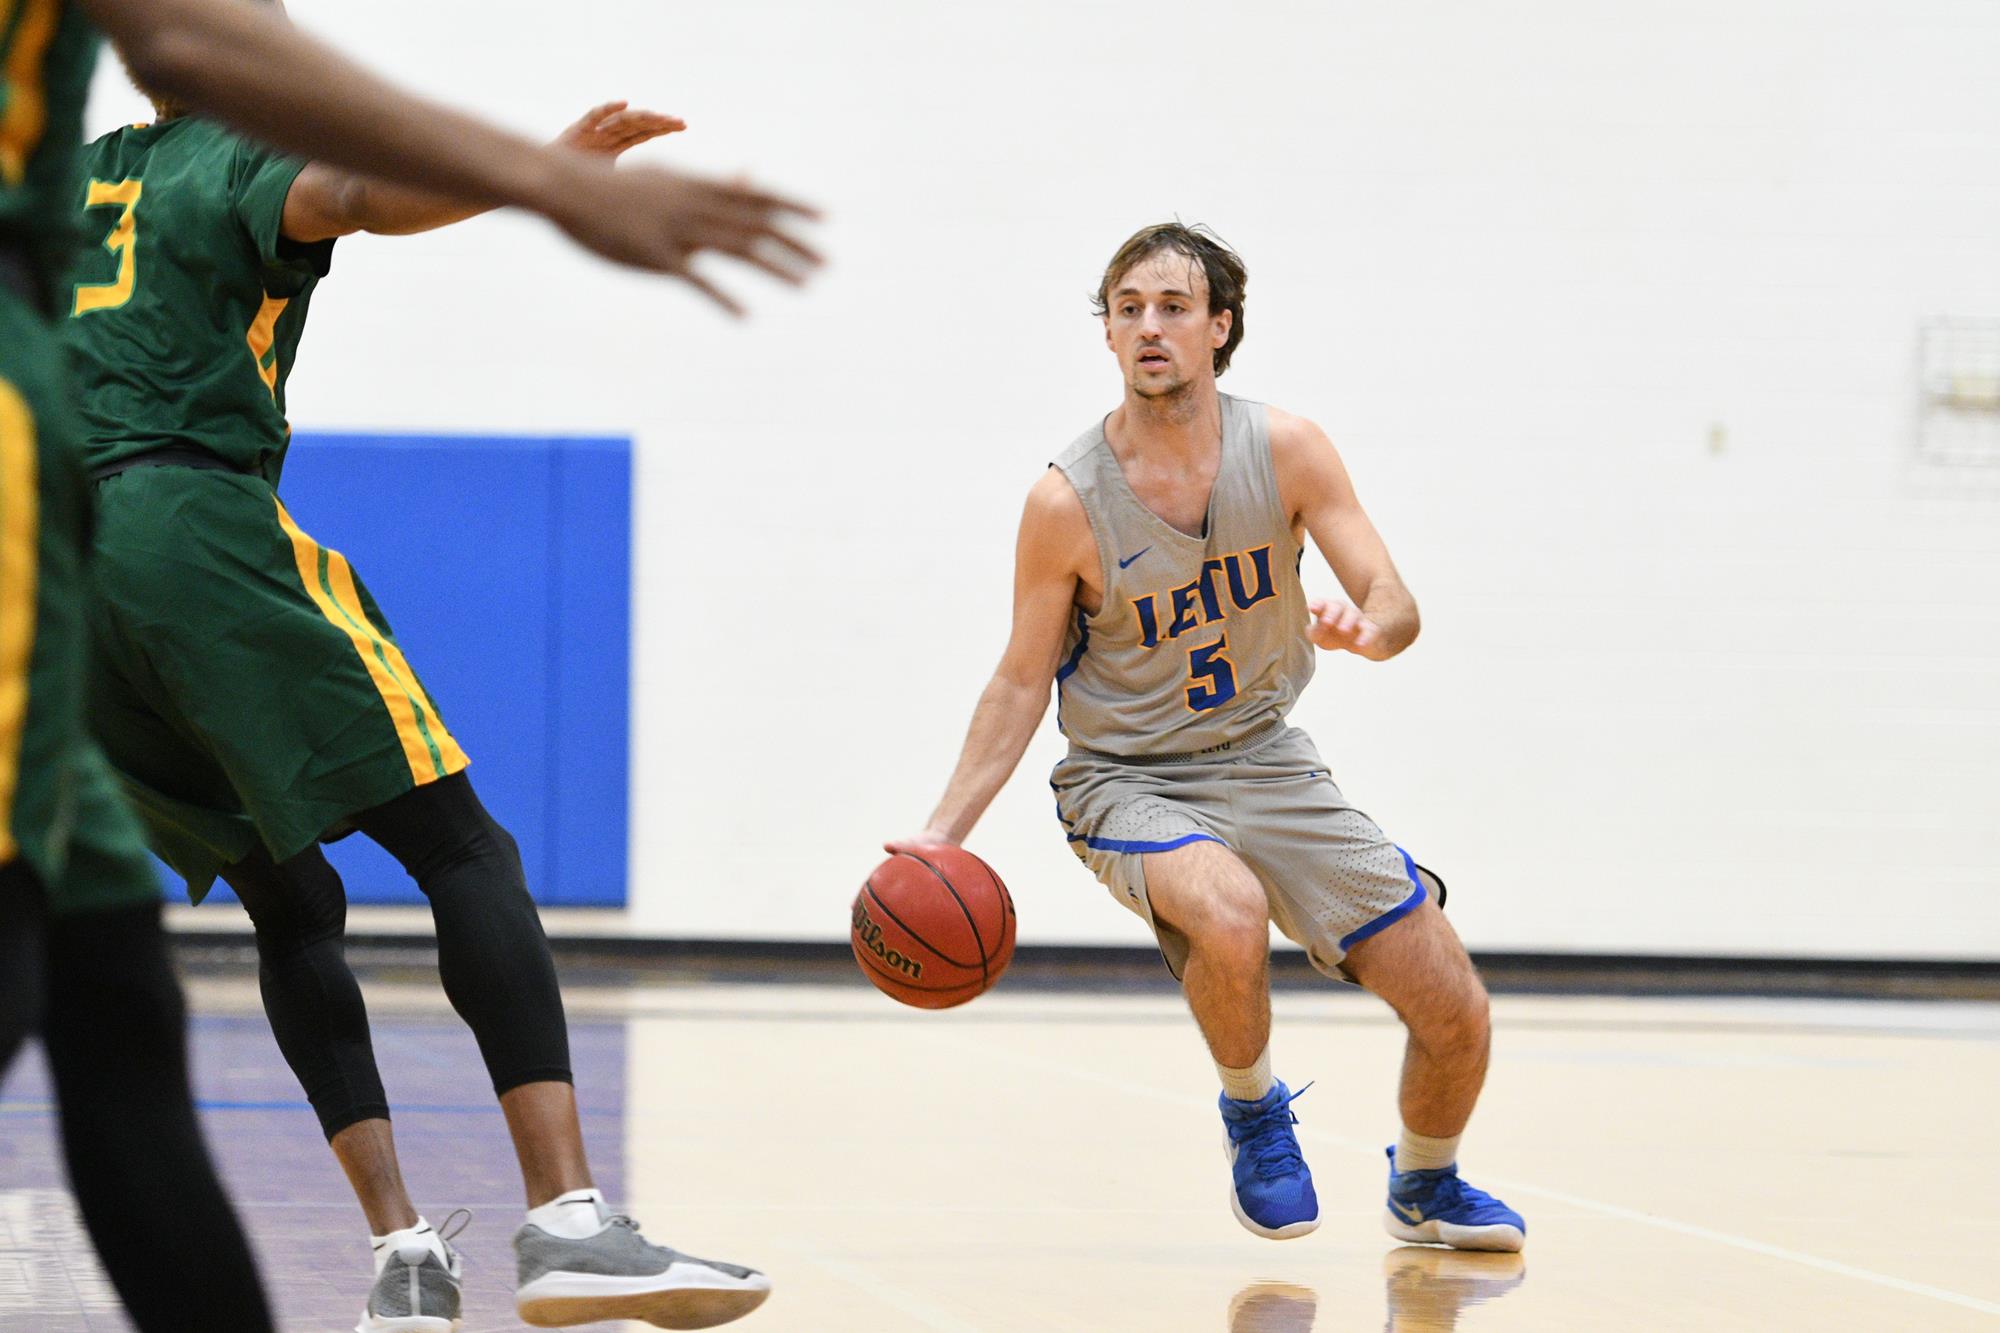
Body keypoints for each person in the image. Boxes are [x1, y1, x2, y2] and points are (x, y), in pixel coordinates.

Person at [2, 0, 815, 1327]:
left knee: (288, 905)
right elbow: (358, 190)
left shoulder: (83, 178)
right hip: (187, 523)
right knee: (464, 849)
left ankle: (401, 1256)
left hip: (55, 566)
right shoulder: (245, 152)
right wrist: (539, 174)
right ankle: (567, 1226)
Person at [889, 223, 1524, 1252]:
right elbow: (1018, 680)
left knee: (1454, 1002)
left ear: (1218, 328)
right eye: (1126, 307)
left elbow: (1393, 597)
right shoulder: (1065, 499)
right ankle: (1253, 1112)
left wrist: (1374, 632)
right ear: (1104, 332)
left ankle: (1425, 1184)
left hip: (1266, 757)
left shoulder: (1285, 451)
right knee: (1224, 908)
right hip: (1124, 777)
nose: (1147, 326)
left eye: (1172, 306)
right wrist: (940, 834)